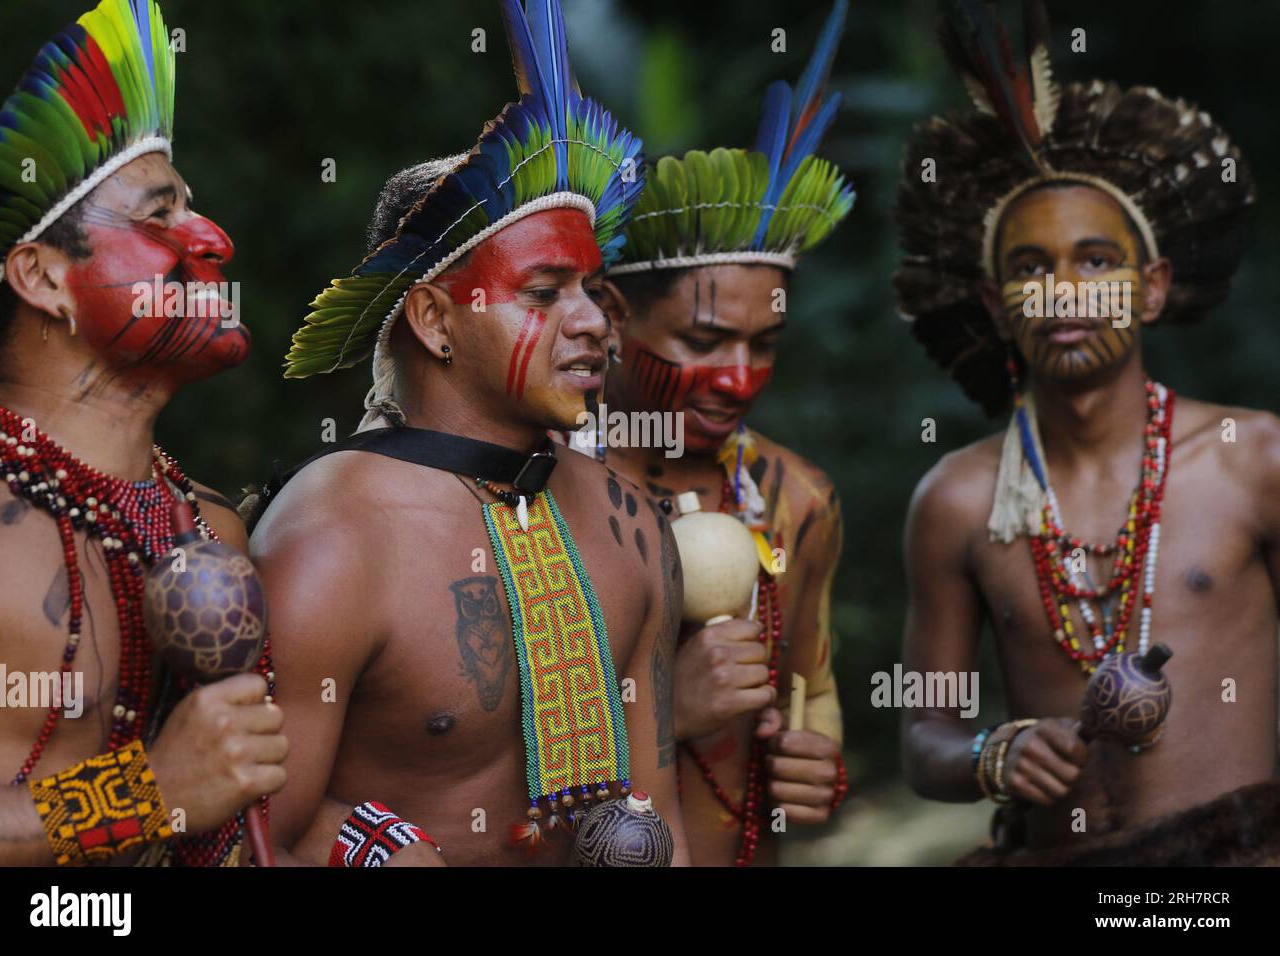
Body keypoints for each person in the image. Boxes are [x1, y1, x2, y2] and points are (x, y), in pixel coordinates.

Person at [247, 0, 690, 867]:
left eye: (592, 290)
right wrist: (371, 846)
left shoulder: (634, 526)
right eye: (543, 292)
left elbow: (656, 815)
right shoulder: (331, 537)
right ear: (435, 321)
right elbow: (253, 837)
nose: (594, 322)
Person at [895, 0, 1279, 864]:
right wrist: (994, 754)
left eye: (1095, 260)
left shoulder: (1254, 462)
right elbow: (925, 734)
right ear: (997, 307)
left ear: (1150, 288)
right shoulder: (954, 501)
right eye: (1031, 267)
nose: (1064, 290)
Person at [0, 0, 285, 867]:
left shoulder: (210, 528)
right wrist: (144, 796)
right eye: (159, 216)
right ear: (43, 277)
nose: (214, 240)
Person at [576, 1, 854, 865]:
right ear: (614, 317)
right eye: (702, 342)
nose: (739, 378)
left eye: (762, 345)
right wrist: (666, 714)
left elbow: (812, 687)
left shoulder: (796, 499)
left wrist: (817, 762)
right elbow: (453, 760)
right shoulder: (529, 494)